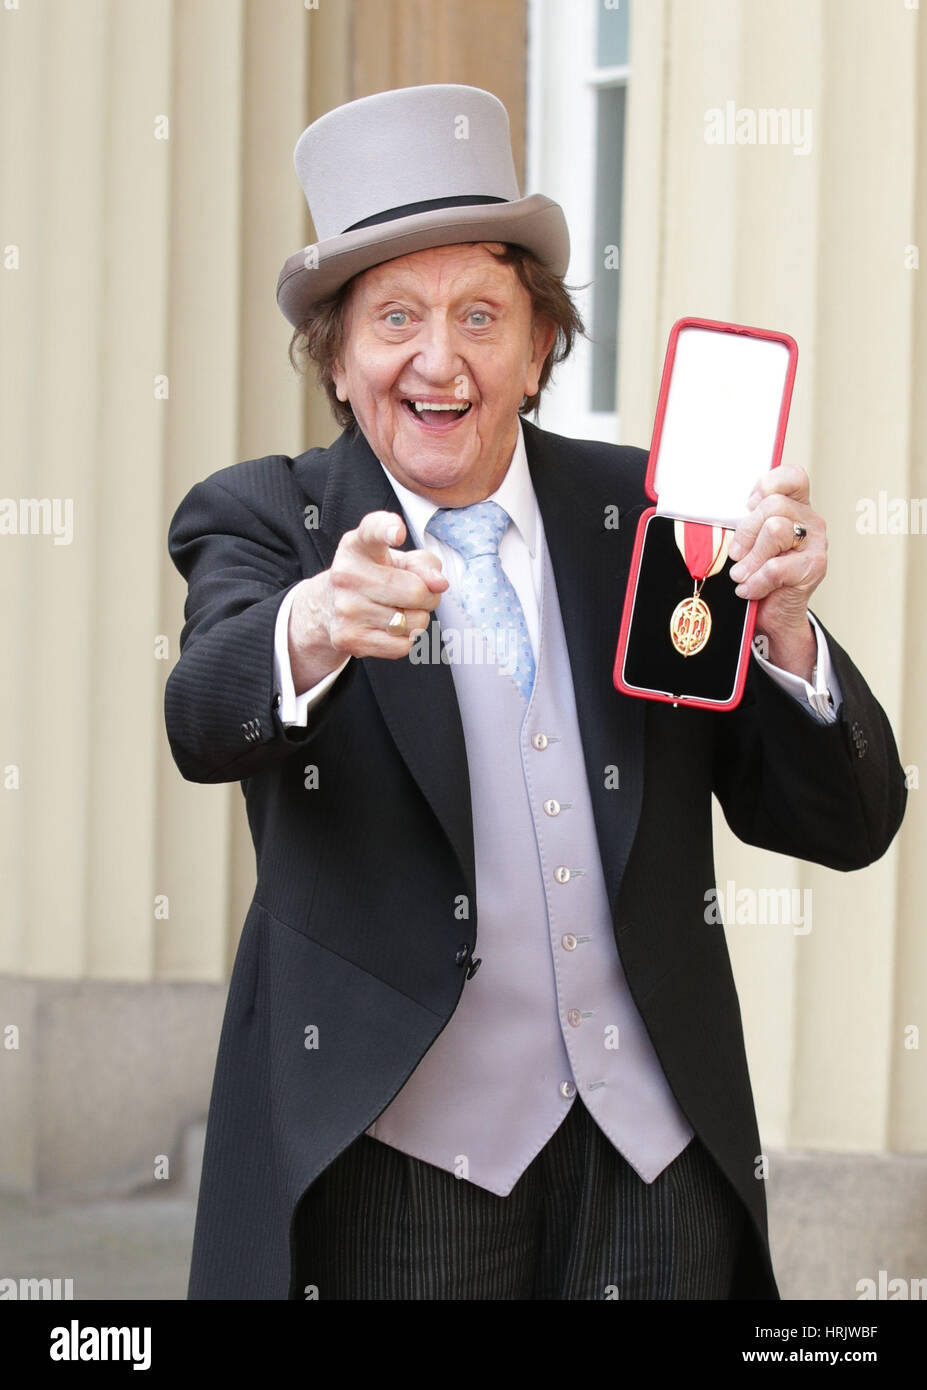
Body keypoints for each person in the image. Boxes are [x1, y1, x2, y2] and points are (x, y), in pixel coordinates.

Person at [164, 84, 907, 1300]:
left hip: (657, 1159)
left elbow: (843, 821)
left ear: (540, 347)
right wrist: (316, 626)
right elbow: (204, 712)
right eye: (395, 317)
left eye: (481, 314)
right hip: (401, 1159)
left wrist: (782, 633)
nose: (439, 358)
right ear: (340, 361)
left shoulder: (654, 509)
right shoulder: (268, 517)